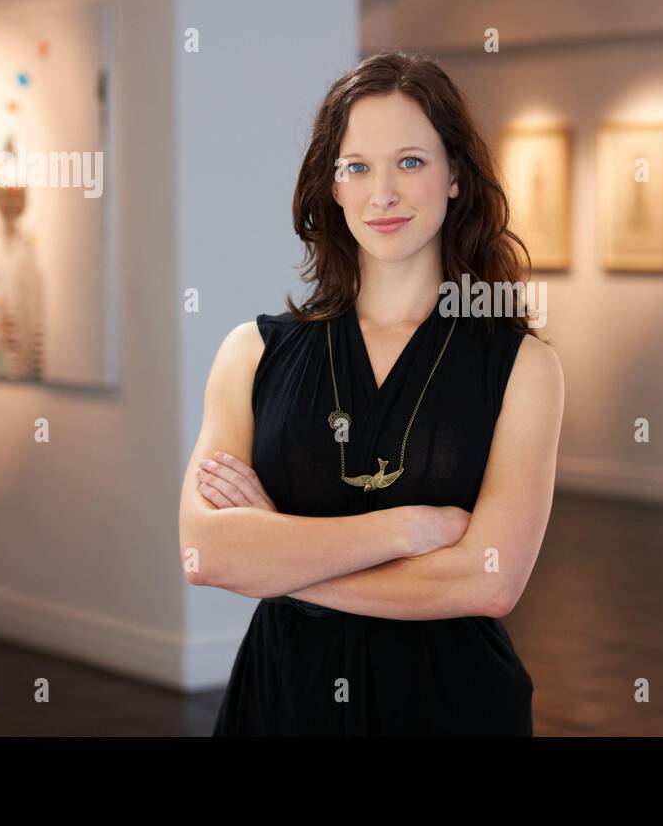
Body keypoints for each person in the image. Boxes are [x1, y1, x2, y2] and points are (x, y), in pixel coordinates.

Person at [179, 51, 564, 735]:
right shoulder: (252, 353)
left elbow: (490, 581)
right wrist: (407, 530)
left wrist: (277, 560)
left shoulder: (522, 367)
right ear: (331, 186)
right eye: (357, 167)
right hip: (284, 704)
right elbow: (205, 553)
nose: (382, 193)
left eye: (410, 162)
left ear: (454, 177)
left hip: (451, 707)